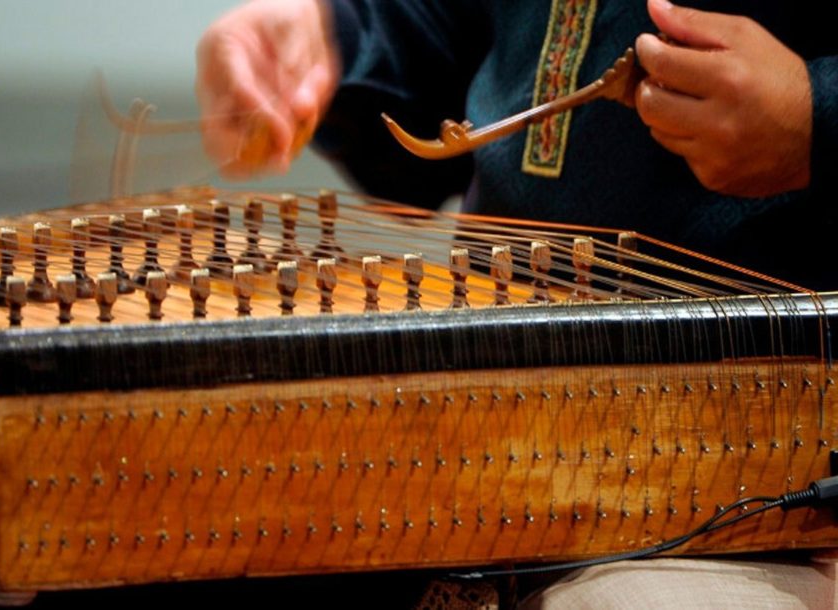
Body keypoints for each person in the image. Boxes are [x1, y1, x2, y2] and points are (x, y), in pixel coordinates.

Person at [195, 0, 838, 607]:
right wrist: (330, 37)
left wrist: (817, 114)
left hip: (762, 459)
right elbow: (453, 35)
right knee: (225, 508)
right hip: (481, 411)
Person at [196, 0, 837, 291]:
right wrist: (333, 35)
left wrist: (815, 117)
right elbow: (474, 32)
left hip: (768, 407)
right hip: (489, 349)